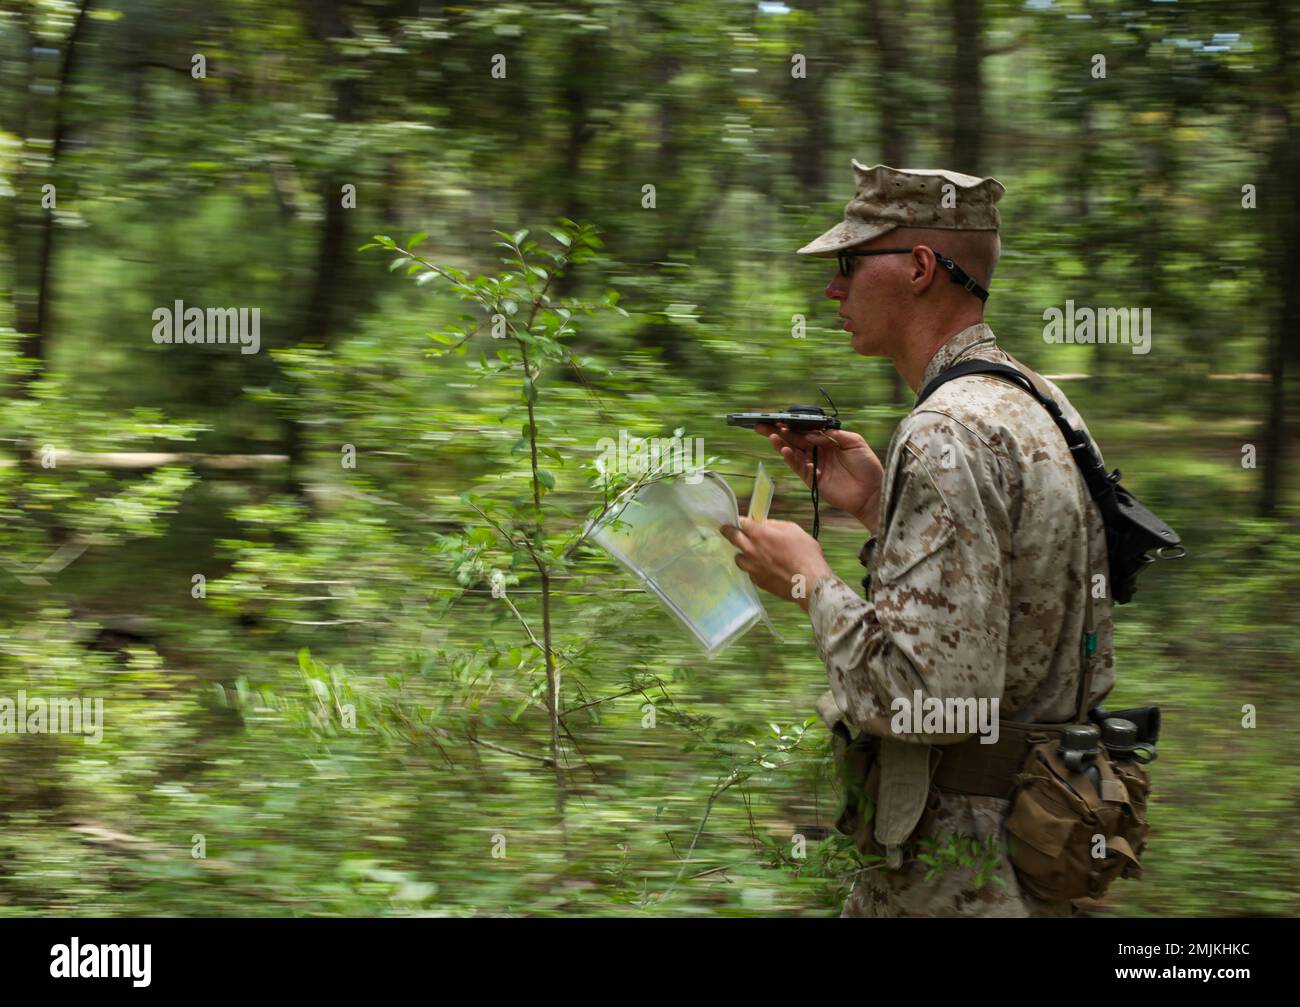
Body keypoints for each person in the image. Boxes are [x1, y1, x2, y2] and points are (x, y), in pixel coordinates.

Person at [719, 162, 1116, 917]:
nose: (832, 289)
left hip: (959, 867)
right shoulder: (1039, 401)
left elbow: (928, 699)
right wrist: (877, 504)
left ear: (920, 267)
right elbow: (1020, 596)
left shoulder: (945, 433)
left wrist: (808, 579)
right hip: (1048, 839)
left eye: (847, 263)